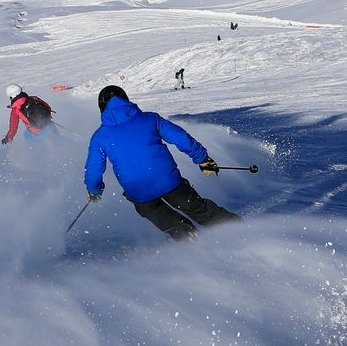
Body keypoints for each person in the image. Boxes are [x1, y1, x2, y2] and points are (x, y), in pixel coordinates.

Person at [83, 86, 240, 240]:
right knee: (201, 211)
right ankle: (240, 232)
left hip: (140, 194)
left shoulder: (100, 137)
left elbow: (93, 170)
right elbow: (181, 138)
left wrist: (94, 190)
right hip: (170, 183)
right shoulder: (149, 119)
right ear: (126, 100)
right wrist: (203, 159)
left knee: (171, 223)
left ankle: (191, 241)